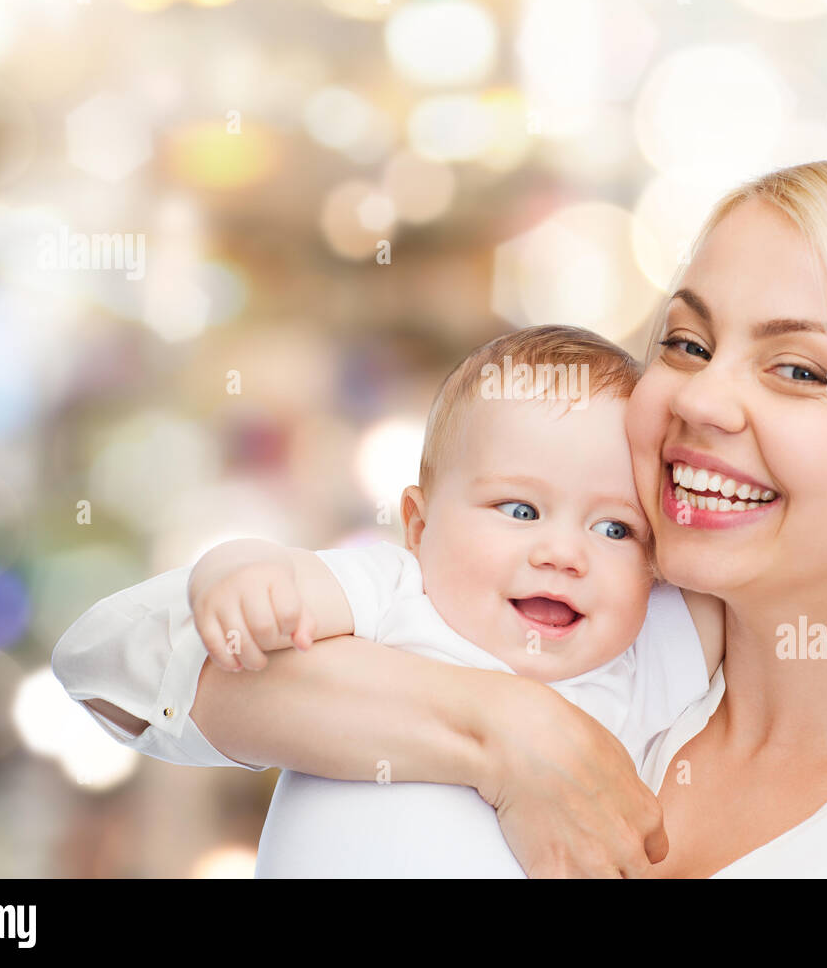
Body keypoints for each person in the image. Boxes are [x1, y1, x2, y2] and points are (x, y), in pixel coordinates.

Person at [56, 159, 827, 878]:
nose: (699, 399)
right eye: (687, 344)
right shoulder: (594, 620)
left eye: (798, 370)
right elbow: (113, 666)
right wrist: (509, 732)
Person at [53, 325, 723, 877]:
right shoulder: (395, 592)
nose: (563, 553)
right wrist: (233, 571)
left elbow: (750, 589)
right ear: (420, 526)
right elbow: (141, 635)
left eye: (615, 529)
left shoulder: (633, 664)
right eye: (520, 509)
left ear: (654, 566)